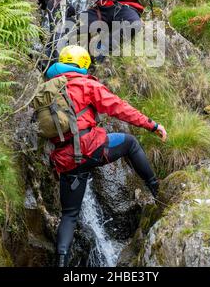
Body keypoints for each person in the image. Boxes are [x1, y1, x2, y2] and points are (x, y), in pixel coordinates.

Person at [46, 45, 167, 267]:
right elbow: (119, 108)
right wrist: (152, 125)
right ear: (83, 63)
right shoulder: (86, 84)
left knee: (69, 215)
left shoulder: (47, 90)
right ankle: (157, 191)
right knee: (129, 143)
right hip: (91, 149)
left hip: (66, 160)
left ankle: (61, 264)